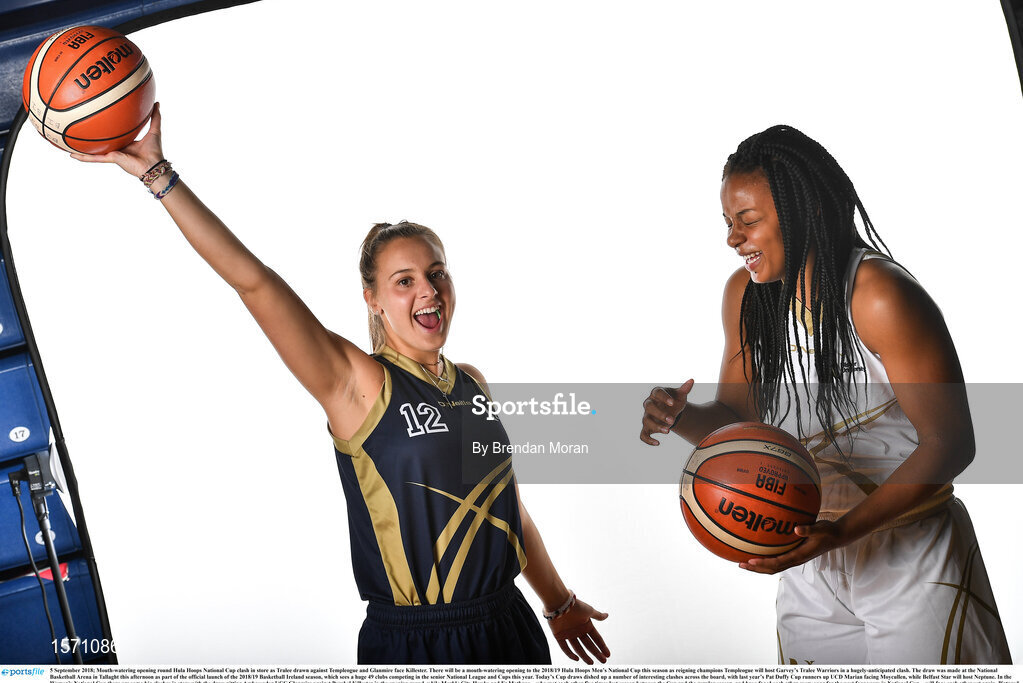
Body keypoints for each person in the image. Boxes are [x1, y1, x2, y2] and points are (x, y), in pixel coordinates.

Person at [73, 103, 610, 666]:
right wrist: (159, 176)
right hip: (419, 642)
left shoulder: (472, 383)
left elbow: (510, 509)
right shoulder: (356, 382)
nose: (427, 290)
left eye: (436, 274)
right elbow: (255, 284)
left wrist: (558, 602)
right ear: (373, 300)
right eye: (404, 281)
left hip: (509, 625)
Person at [640, 125, 1011, 665]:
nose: (733, 239)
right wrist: (680, 417)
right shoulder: (745, 296)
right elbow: (738, 423)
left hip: (911, 552)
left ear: (802, 209)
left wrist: (841, 533)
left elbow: (950, 443)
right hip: (810, 557)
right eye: (727, 222)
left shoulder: (878, 295)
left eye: (747, 220)